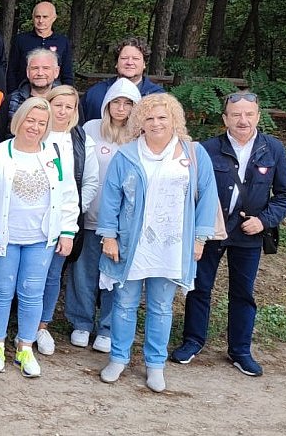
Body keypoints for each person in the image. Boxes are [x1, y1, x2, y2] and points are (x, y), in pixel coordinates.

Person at [96, 93, 219, 393]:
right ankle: (118, 358)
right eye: (149, 118)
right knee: (124, 303)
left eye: (163, 117)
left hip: (172, 245)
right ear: (140, 122)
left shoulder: (193, 153)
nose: (156, 123)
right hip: (131, 243)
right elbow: (111, 198)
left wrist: (200, 238)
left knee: (162, 307)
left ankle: (155, 365)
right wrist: (109, 235)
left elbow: (208, 197)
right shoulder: (126, 155)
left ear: (174, 120)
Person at [173, 91, 286, 376]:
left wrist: (264, 221)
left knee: (243, 292)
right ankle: (192, 341)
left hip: (249, 234)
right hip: (211, 232)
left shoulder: (273, 149)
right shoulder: (206, 149)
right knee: (199, 287)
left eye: (249, 114)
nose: (243, 120)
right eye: (236, 114)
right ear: (225, 118)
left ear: (258, 116)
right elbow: (192, 191)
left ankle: (240, 350)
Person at [0, 97, 79, 378]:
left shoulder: (54, 155)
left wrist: (68, 231)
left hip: (41, 239)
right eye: (30, 120)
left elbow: (68, 196)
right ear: (19, 120)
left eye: (42, 123)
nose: (35, 127)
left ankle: (25, 345)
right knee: (1, 290)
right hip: (4, 237)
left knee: (32, 293)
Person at [67, 78, 141, 353]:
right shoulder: (90, 129)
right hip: (90, 213)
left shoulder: (139, 137)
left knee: (113, 274)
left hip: (123, 221)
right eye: (116, 102)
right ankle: (81, 323)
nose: (120, 108)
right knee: (83, 272)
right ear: (107, 104)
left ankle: (108, 327)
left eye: (127, 104)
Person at [35, 85, 99, 356]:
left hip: (64, 222)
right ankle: (24, 326)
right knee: (30, 276)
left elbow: (90, 181)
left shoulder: (83, 140)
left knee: (52, 275)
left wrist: (70, 211)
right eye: (57, 104)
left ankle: (42, 326)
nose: (62, 111)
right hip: (32, 218)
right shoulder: (35, 133)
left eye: (68, 106)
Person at [80, 37, 166, 122]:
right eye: (124, 58)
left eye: (135, 58)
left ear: (144, 64)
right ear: (116, 63)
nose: (129, 62)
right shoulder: (96, 94)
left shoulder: (157, 96)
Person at [0, 48, 61, 141]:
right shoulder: (12, 100)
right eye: (35, 68)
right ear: (27, 72)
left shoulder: (66, 101)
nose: (40, 73)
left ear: (56, 72)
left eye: (46, 68)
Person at [8, 1, 75, 87]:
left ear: (54, 18)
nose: (41, 21)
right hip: (24, 92)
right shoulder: (20, 40)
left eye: (45, 17)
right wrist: (12, 95)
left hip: (53, 91)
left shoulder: (62, 42)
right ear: (33, 17)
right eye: (37, 17)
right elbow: (12, 71)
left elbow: (67, 73)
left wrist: (67, 93)